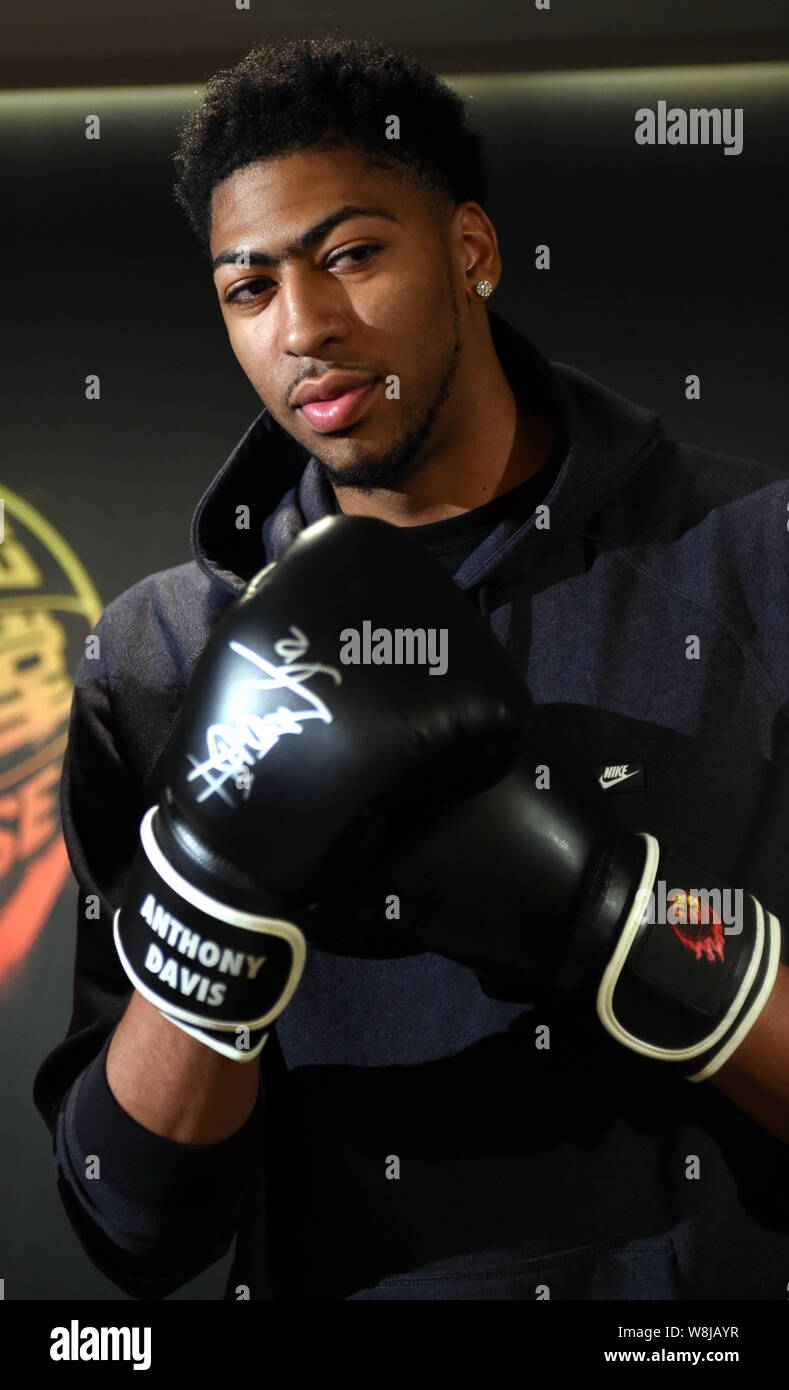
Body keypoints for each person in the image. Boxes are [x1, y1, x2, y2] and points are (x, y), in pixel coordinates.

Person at [34, 36, 789, 1302]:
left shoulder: (752, 562)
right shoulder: (161, 656)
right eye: (248, 288)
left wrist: (616, 924)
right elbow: (129, 1221)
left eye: (351, 255)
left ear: (474, 251)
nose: (306, 327)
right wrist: (218, 899)